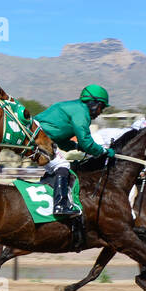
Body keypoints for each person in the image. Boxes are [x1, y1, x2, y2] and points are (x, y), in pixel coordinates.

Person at [33, 84, 112, 219]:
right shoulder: (82, 112)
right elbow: (86, 141)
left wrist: (76, 147)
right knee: (62, 166)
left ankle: (48, 190)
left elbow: (62, 141)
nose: (100, 112)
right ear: (94, 103)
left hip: (41, 136)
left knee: (57, 166)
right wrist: (103, 151)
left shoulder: (75, 108)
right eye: (101, 107)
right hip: (39, 138)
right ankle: (60, 206)